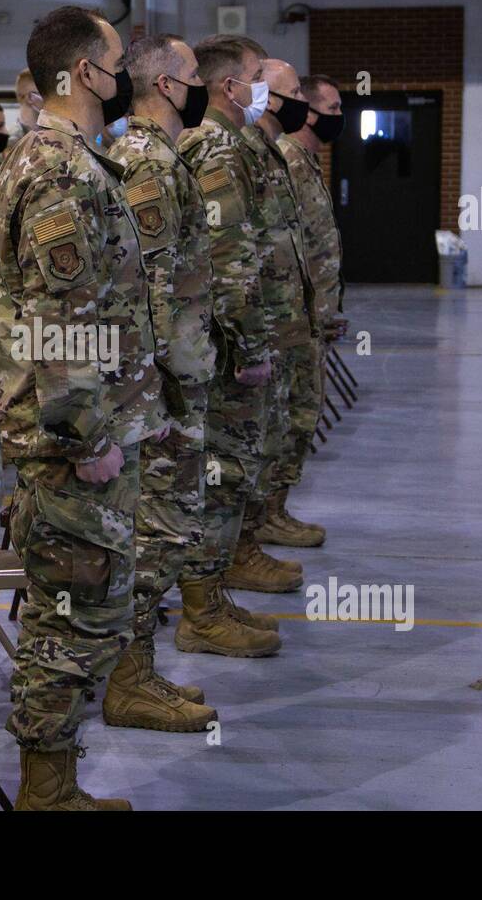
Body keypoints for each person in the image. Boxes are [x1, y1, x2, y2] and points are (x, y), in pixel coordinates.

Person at [0, 6, 167, 809]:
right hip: (69, 442)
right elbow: (57, 318)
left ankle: (53, 780)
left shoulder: (64, 160)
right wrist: (85, 433)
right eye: (116, 61)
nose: (122, 74)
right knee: (67, 616)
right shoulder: (58, 169)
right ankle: (47, 791)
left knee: (84, 605)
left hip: (80, 431)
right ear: (83, 73)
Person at [104, 33, 219, 732]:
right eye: (195, 74)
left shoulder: (161, 156)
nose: (200, 84)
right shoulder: (146, 161)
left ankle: (138, 670)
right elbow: (146, 287)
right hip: (157, 388)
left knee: (166, 533)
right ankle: (128, 678)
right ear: (168, 86)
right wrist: (169, 388)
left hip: (171, 378)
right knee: (156, 536)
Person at [175, 36, 293, 651]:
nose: (263, 90)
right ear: (230, 86)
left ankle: (213, 594)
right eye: (256, 77)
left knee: (233, 471)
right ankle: (200, 614)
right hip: (223, 346)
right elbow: (228, 259)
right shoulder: (215, 151)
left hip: (238, 336)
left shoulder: (231, 144)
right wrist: (248, 347)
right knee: (218, 477)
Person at [231, 47, 314, 589]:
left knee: (271, 434)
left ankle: (253, 536)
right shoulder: (226, 152)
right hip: (245, 333)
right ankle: (223, 570)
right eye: (294, 91)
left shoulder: (268, 152)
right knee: (238, 453)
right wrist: (246, 341)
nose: (301, 102)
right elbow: (230, 255)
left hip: (277, 320)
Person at [275, 73, 346, 543]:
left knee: (303, 416)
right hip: (293, 323)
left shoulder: (307, 163)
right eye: (334, 108)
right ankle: (265, 514)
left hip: (313, 320)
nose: (340, 118)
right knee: (290, 419)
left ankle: (275, 508)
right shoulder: (288, 163)